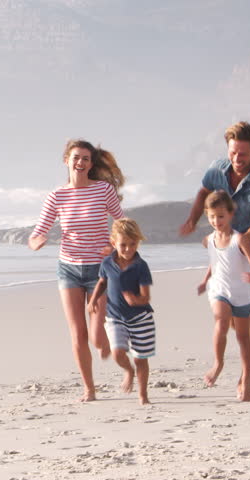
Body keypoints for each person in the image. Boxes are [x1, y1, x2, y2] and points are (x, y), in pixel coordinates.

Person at [179, 121, 250, 386]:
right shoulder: (218, 169)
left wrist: (240, 243)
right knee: (234, 316)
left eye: (243, 154)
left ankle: (246, 378)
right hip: (226, 253)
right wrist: (193, 218)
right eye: (232, 152)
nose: (236, 159)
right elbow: (203, 191)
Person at [29, 139, 125, 402]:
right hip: (68, 269)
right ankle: (89, 388)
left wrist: (114, 245)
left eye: (85, 158)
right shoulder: (57, 196)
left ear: (91, 164)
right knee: (78, 334)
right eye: (76, 158)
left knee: (95, 336)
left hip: (100, 270)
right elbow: (39, 230)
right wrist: (36, 241)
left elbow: (122, 222)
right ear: (66, 161)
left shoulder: (103, 190)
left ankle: (105, 340)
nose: (80, 163)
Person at [197, 190, 250, 401]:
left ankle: (247, 383)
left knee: (243, 338)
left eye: (221, 216)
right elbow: (214, 263)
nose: (217, 221)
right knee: (221, 321)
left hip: (241, 292)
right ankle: (218, 363)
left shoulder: (239, 239)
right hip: (219, 289)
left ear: (231, 214)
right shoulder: (208, 240)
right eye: (212, 216)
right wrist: (205, 281)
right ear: (207, 215)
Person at [87, 218, 155, 405]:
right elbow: (102, 282)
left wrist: (136, 300)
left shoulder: (141, 266)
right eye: (123, 245)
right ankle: (128, 371)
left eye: (133, 244)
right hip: (115, 317)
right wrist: (93, 300)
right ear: (113, 242)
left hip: (141, 318)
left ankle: (143, 394)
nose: (128, 249)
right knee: (117, 352)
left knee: (141, 359)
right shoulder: (107, 263)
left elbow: (146, 296)